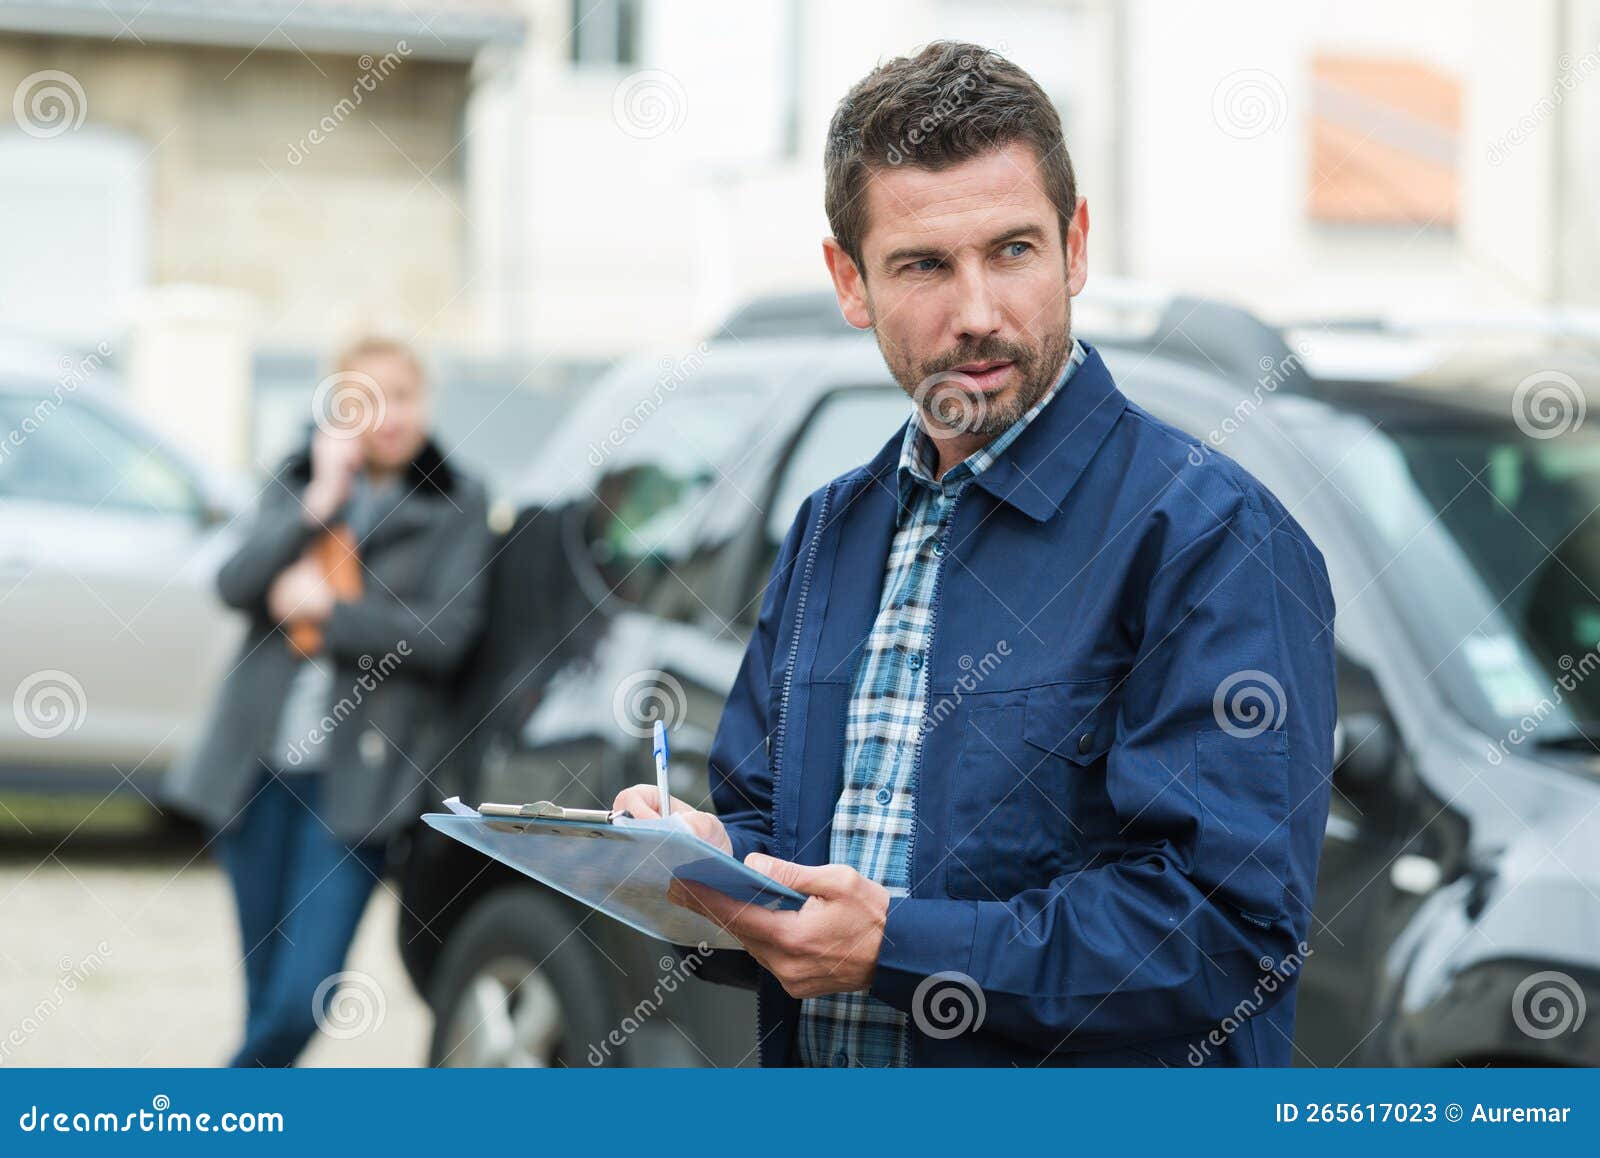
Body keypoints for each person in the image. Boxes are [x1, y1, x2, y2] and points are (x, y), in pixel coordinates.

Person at [615, 42, 1337, 1067]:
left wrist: (894, 949)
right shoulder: (832, 530)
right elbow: (772, 830)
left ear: (1074, 246)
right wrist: (707, 861)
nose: (979, 314)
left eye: (1012, 251)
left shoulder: (1210, 536)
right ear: (850, 281)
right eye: (923, 265)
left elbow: (1224, 936)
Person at [163, 335, 493, 1066]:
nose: (389, 416)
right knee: (264, 996)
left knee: (301, 998)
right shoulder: (295, 480)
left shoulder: (457, 500)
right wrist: (317, 501)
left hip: (359, 784)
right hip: (254, 772)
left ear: (425, 401)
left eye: (402, 396)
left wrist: (329, 614)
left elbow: (448, 636)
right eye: (367, 399)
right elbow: (233, 585)